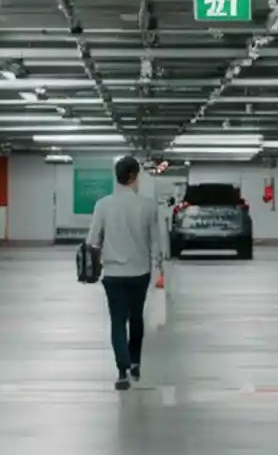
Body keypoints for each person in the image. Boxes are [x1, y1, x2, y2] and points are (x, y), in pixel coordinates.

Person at [86, 155, 164, 391]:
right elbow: (156, 243)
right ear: (133, 176)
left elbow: (92, 240)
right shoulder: (148, 205)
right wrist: (159, 267)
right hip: (139, 272)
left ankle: (122, 371)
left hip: (112, 274)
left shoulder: (103, 205)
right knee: (136, 317)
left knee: (117, 321)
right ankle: (136, 361)